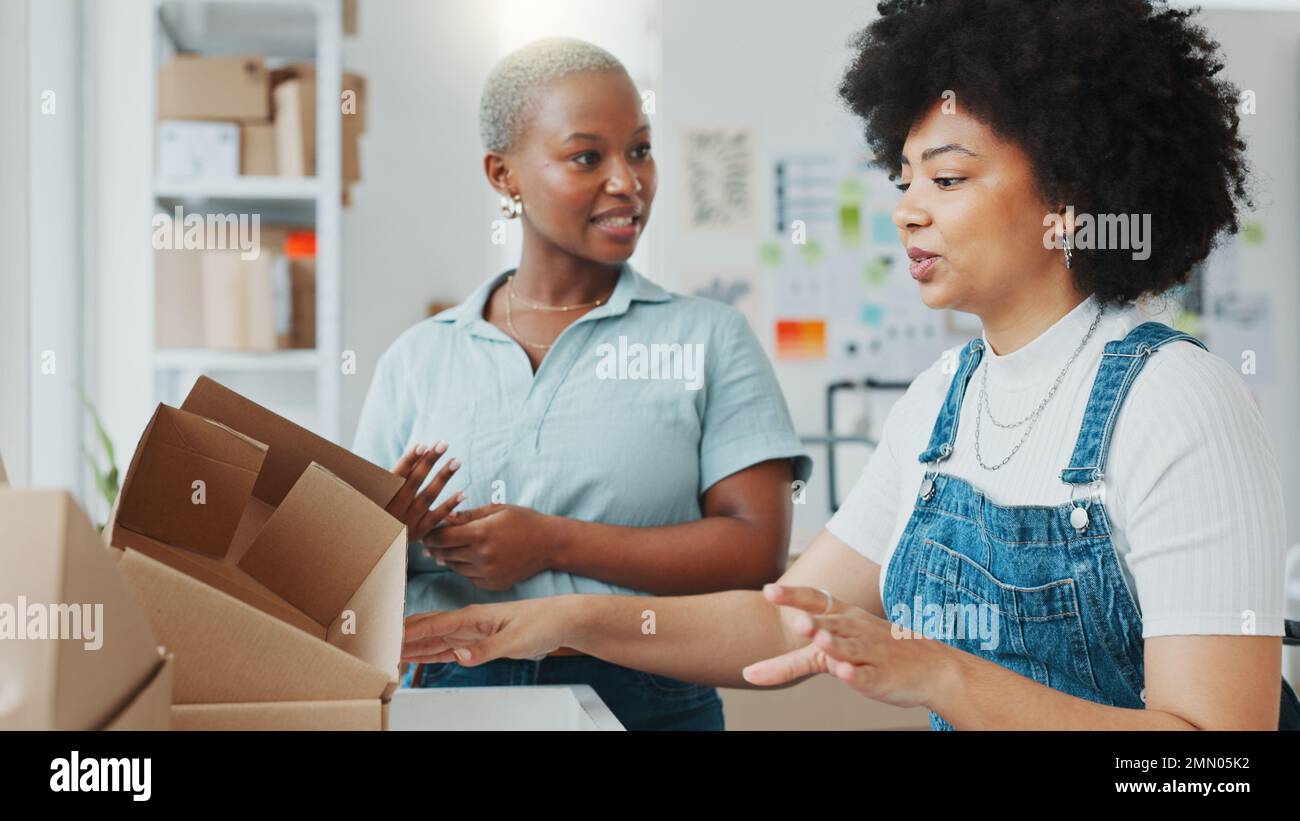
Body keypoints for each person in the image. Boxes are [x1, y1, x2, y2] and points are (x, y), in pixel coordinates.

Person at [402, 0, 1300, 730]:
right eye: (902, 178)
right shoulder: (942, 401)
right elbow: (788, 615)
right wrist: (555, 620)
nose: (908, 211)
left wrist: (944, 676)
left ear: (1070, 200)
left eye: (946, 179)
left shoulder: (1180, 402)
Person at [353, 37, 811, 731]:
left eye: (641, 150)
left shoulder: (709, 338)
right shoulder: (420, 357)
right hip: (447, 689)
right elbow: (352, 571)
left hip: (648, 691)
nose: (627, 181)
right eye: (587, 157)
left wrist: (553, 541)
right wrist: (403, 537)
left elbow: (754, 553)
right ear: (503, 174)